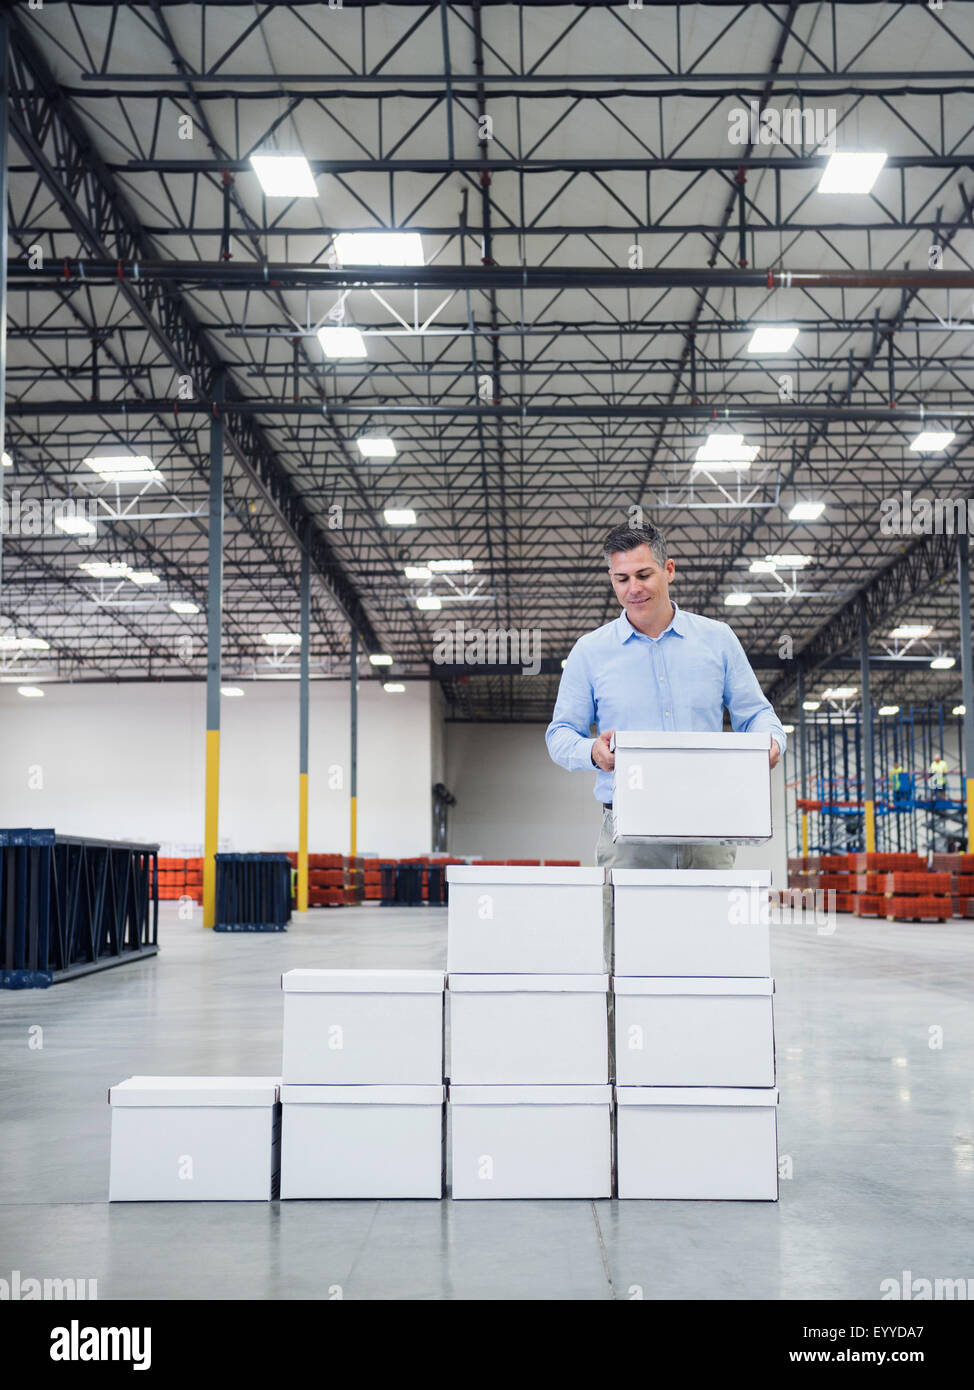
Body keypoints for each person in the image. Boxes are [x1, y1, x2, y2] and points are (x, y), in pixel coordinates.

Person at [545, 521, 787, 870]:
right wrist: (593, 751)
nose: (633, 589)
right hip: (629, 834)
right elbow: (560, 734)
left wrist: (773, 740)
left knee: (709, 924)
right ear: (611, 579)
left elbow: (756, 714)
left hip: (709, 825)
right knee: (629, 926)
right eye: (622, 579)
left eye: (644, 574)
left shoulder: (717, 640)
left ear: (668, 570)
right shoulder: (590, 651)